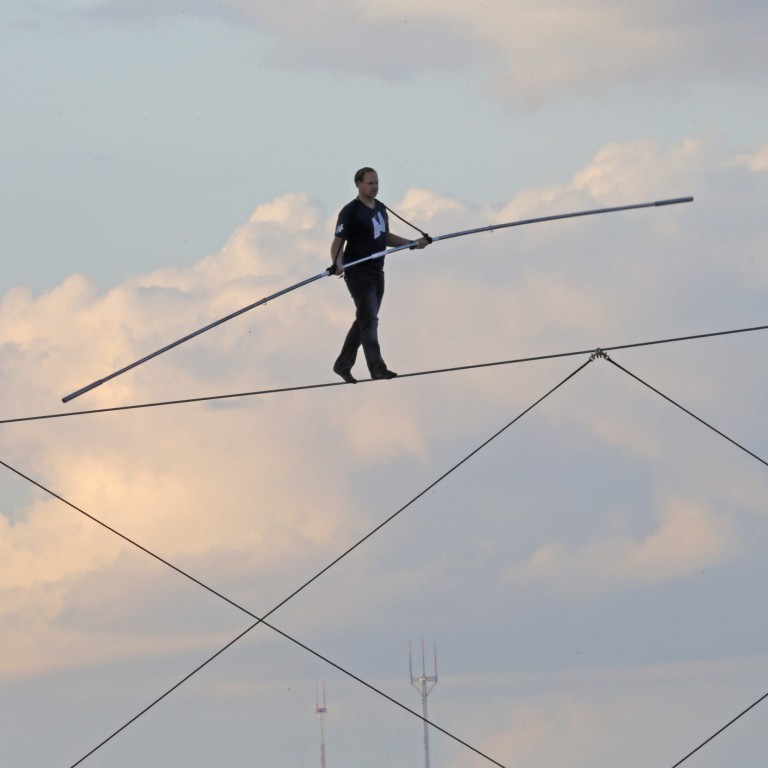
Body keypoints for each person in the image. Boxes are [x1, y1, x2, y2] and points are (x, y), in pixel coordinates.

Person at [330, 167, 429, 383]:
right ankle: (377, 368)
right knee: (370, 320)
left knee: (365, 319)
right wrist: (337, 264)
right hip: (358, 271)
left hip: (377, 270)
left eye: (376, 183)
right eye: (369, 183)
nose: (374, 187)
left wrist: (412, 244)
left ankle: (342, 364)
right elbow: (338, 242)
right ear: (358, 184)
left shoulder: (381, 209)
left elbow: (384, 237)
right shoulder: (351, 211)